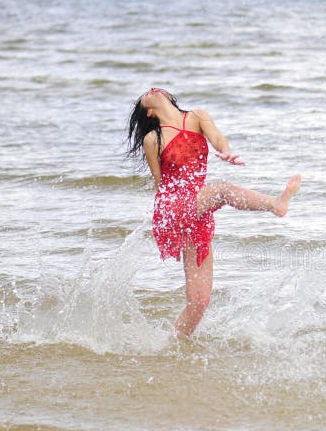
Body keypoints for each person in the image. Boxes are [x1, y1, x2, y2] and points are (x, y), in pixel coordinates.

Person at [126, 87, 301, 337]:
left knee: (199, 301)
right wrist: (167, 220)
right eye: (146, 94)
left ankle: (173, 343)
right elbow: (159, 182)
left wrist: (226, 151)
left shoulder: (197, 116)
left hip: (199, 209)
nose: (152, 90)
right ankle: (275, 204)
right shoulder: (153, 139)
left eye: (156, 89)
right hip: (173, 205)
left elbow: (217, 138)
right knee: (222, 189)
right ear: (149, 112)